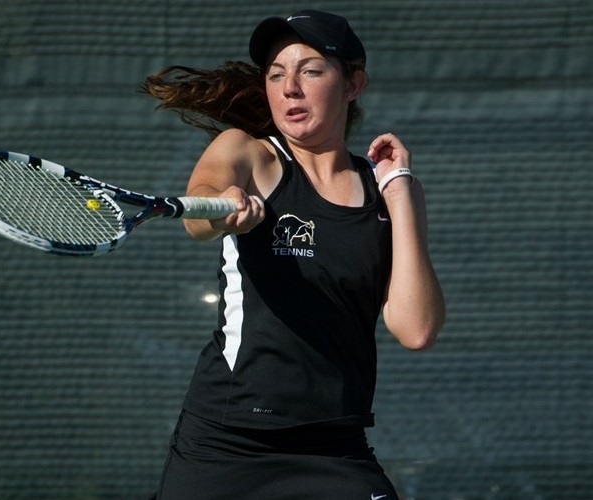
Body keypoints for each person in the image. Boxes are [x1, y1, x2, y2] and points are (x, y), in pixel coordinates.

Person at [142, 10, 446, 500]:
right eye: (277, 74)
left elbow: (417, 329)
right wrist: (223, 210)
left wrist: (400, 196)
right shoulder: (247, 152)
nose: (290, 89)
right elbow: (201, 210)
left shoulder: (384, 192)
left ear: (353, 84)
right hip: (226, 443)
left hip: (335, 447)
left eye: (310, 71)